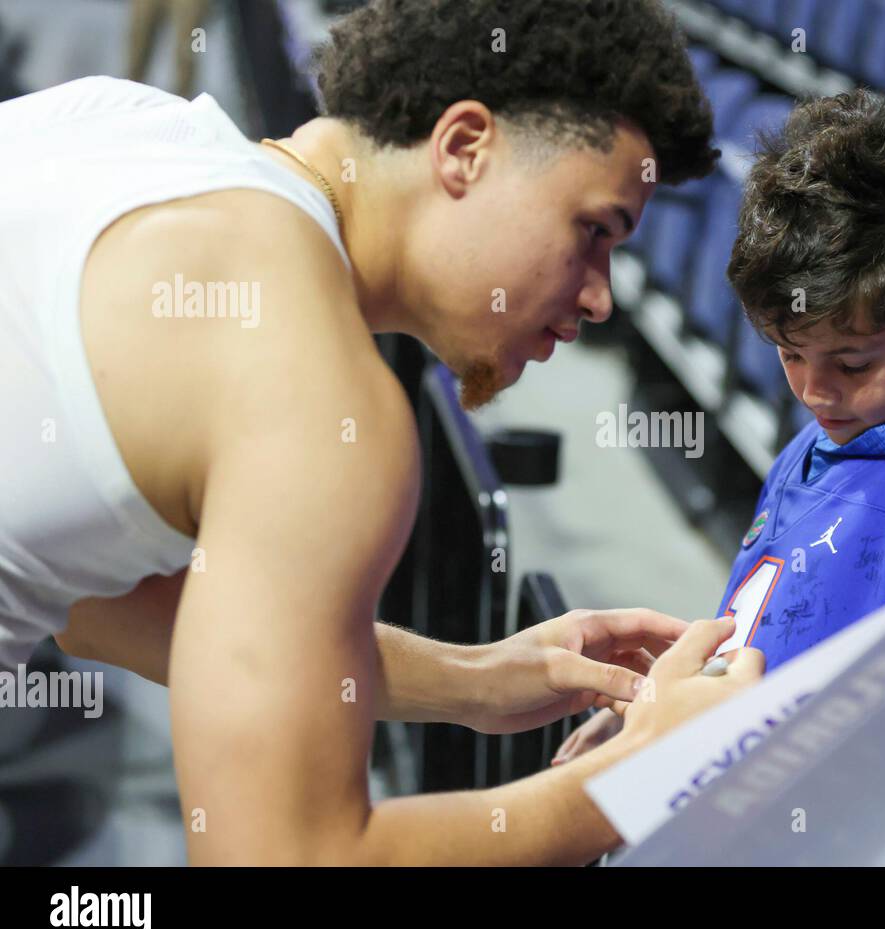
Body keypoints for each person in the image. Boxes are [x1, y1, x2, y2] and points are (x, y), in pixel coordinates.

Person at [0, 0, 763, 865]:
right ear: (464, 147)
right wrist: (648, 772)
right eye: (594, 231)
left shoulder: (117, 120)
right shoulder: (316, 394)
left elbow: (91, 599)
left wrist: (476, 681)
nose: (600, 296)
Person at [556, 91, 885, 762]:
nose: (814, 390)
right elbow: (752, 636)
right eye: (790, 355)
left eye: (853, 361)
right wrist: (655, 717)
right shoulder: (810, 446)